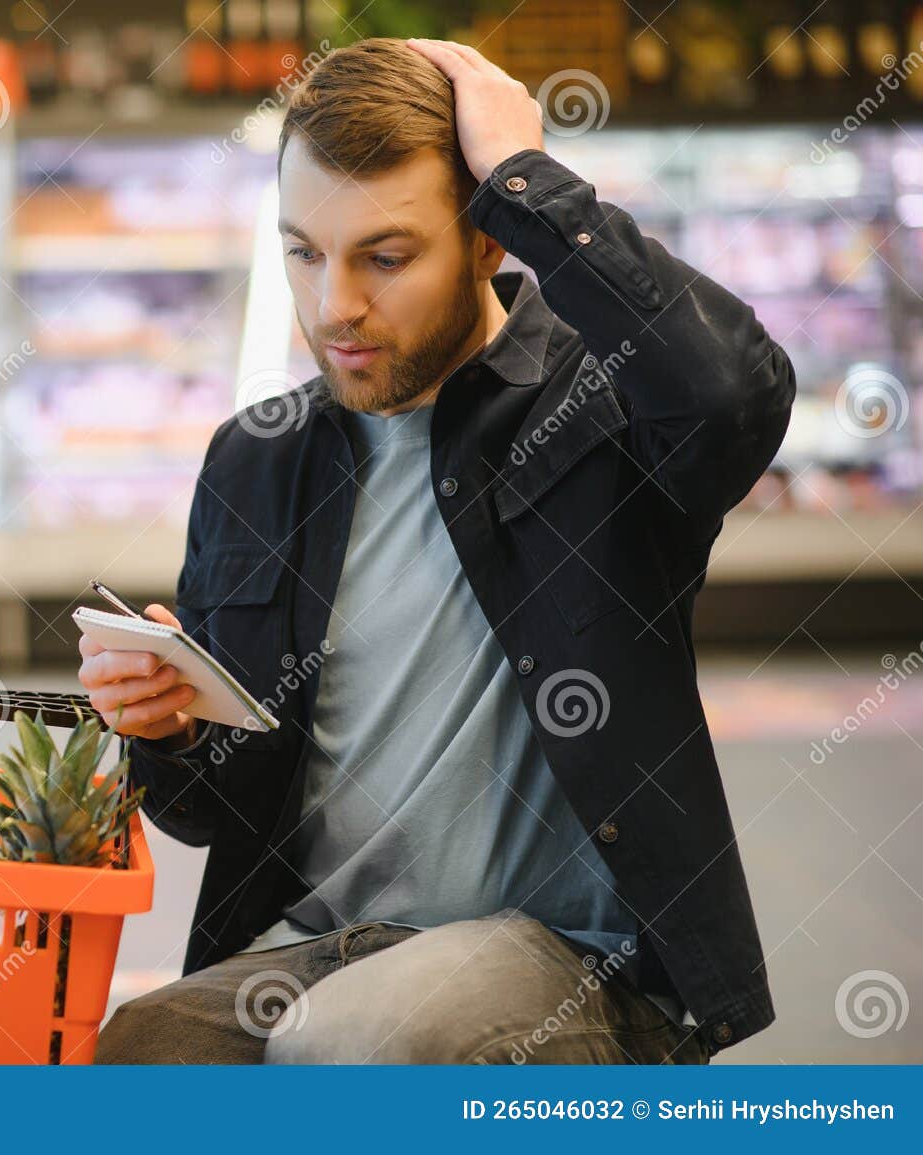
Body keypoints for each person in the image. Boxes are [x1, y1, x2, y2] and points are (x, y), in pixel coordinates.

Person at [78, 37, 793, 1064]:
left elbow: (731, 396)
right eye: (303, 252)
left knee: (358, 1045)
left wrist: (526, 180)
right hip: (324, 945)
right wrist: (174, 730)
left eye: (386, 256)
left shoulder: (599, 416)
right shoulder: (254, 462)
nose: (334, 308)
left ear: (488, 241)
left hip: (572, 967)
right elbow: (214, 816)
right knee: (139, 1053)